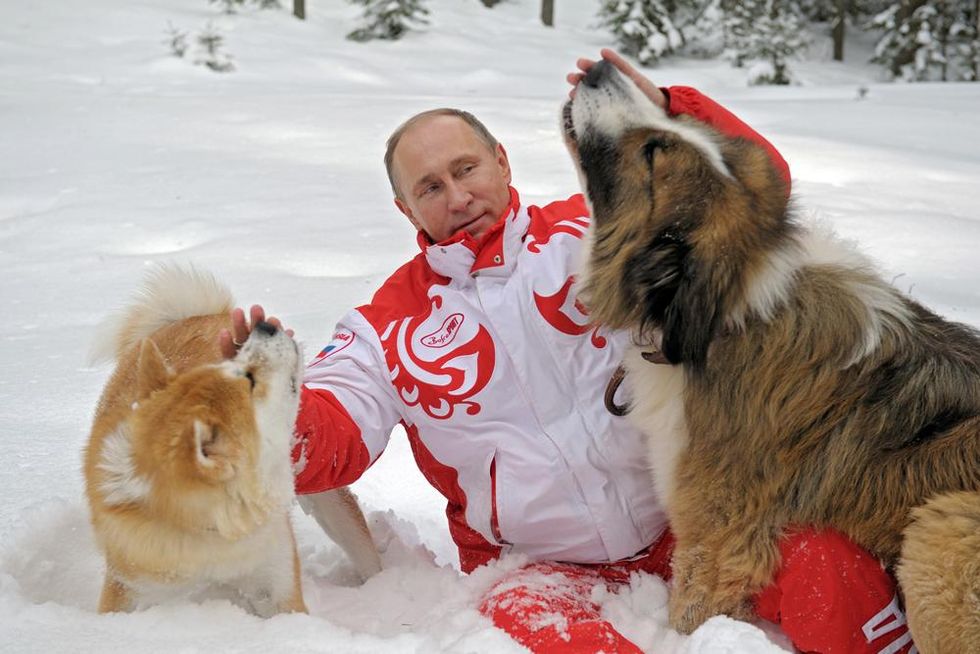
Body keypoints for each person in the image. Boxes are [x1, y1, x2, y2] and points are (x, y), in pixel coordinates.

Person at [221, 50, 916, 654]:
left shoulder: (597, 235)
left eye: (467, 168)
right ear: (406, 209)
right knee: (552, 636)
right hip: (535, 569)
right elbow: (329, 444)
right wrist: (258, 404)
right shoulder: (384, 328)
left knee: (832, 570)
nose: (457, 197)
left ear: (502, 161)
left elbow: (749, 202)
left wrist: (669, 109)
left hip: (691, 525)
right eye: (430, 187)